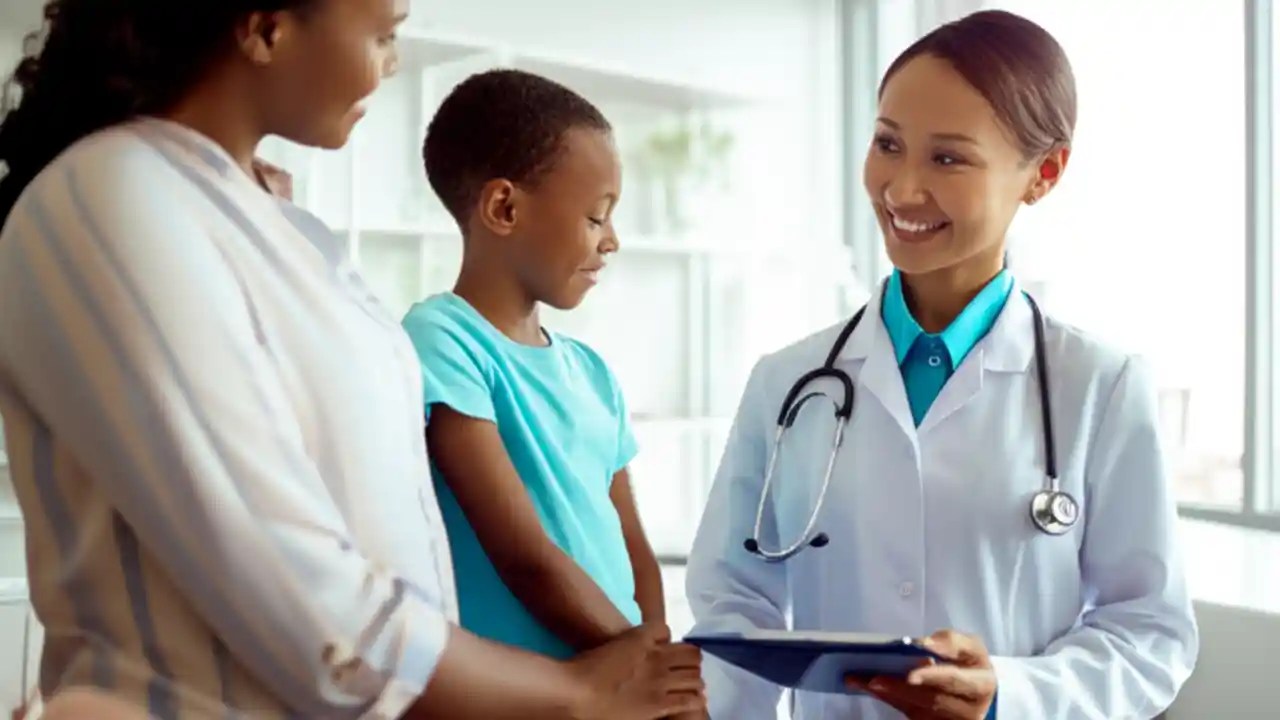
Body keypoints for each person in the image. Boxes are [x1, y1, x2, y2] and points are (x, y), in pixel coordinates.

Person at [0, 1, 704, 718]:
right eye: (382, 34)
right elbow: (287, 578)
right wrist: (577, 692)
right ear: (266, 27)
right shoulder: (119, 193)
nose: (392, 62)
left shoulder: (291, 234)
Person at [683, 9, 1198, 720]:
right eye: (888, 144)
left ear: (1044, 173)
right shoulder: (787, 382)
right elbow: (734, 603)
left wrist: (1007, 695)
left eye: (948, 158)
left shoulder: (1100, 387)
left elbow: (1148, 633)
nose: (902, 189)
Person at [401, 69, 673, 662]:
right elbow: (525, 559)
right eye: (596, 217)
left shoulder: (592, 372)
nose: (611, 240)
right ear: (504, 207)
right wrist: (643, 667)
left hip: (624, 688)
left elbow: (637, 555)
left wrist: (660, 670)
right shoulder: (441, 342)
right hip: (532, 694)